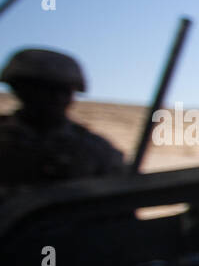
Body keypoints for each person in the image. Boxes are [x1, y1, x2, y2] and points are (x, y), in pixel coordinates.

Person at [0, 47, 126, 186]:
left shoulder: (95, 149)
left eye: (65, 91)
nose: (57, 98)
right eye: (46, 89)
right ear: (20, 89)